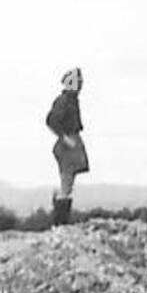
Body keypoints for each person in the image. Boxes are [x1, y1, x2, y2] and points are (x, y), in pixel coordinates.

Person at [46, 67, 88, 225]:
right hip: (67, 142)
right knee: (66, 180)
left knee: (69, 182)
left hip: (72, 139)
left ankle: (61, 218)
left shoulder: (72, 100)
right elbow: (51, 121)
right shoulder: (64, 100)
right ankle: (60, 221)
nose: (81, 86)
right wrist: (64, 138)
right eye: (79, 82)